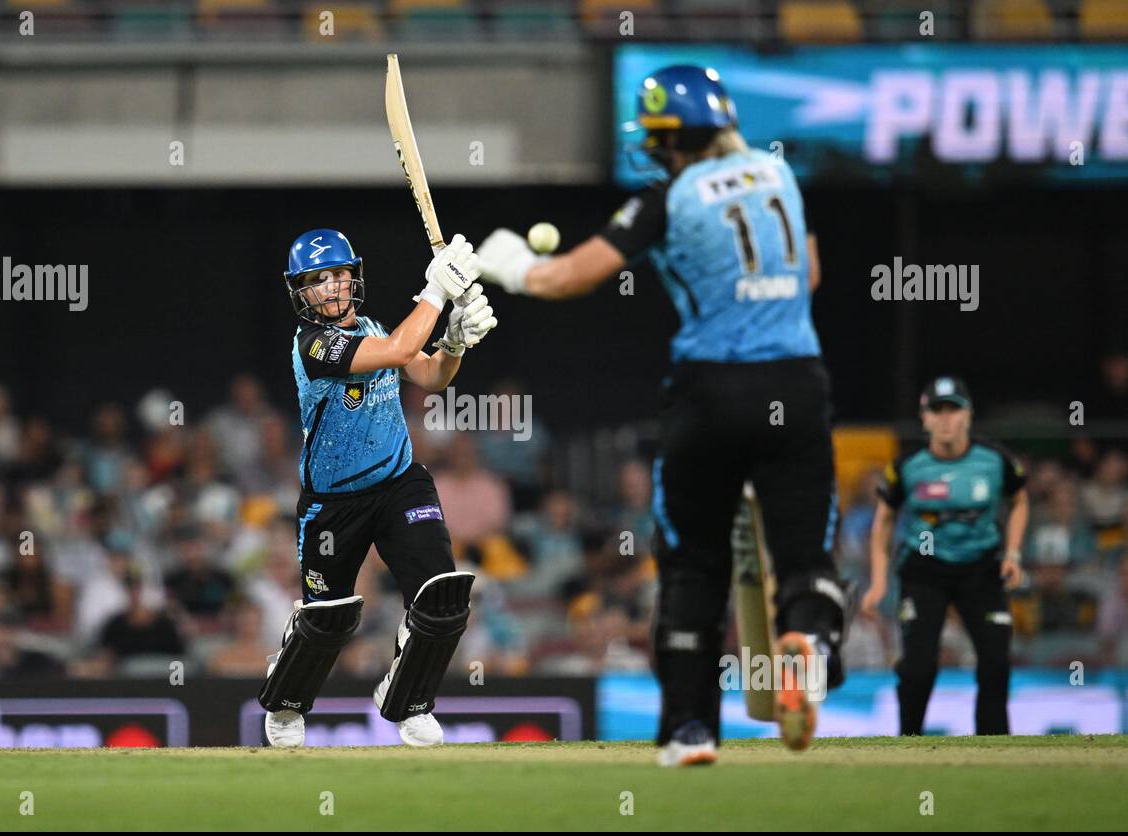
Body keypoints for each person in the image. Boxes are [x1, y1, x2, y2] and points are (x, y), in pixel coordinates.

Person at [476, 65, 844, 766]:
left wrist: (512, 265)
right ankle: (812, 646)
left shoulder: (669, 197)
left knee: (692, 562)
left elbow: (568, 276)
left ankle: (689, 729)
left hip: (710, 394)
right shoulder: (781, 178)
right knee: (805, 551)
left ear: (667, 138)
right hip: (797, 386)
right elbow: (813, 277)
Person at [257, 228, 497, 748]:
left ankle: (409, 701)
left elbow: (431, 375)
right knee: (329, 619)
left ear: (354, 277)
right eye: (319, 279)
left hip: (398, 484)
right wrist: (436, 292)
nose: (333, 286)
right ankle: (287, 703)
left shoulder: (372, 327)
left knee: (442, 597)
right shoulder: (312, 346)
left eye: (340, 274)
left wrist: (454, 341)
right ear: (301, 292)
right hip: (333, 501)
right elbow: (398, 349)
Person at [861, 376, 1028, 735]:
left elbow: (1019, 500)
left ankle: (994, 749)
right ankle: (908, 744)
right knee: (918, 667)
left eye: (954, 409)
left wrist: (1012, 553)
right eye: (937, 410)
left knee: (996, 662)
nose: (946, 419)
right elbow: (884, 521)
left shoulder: (994, 461)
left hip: (982, 569)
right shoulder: (908, 467)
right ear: (924, 418)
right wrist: (878, 582)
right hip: (924, 571)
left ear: (969, 415)